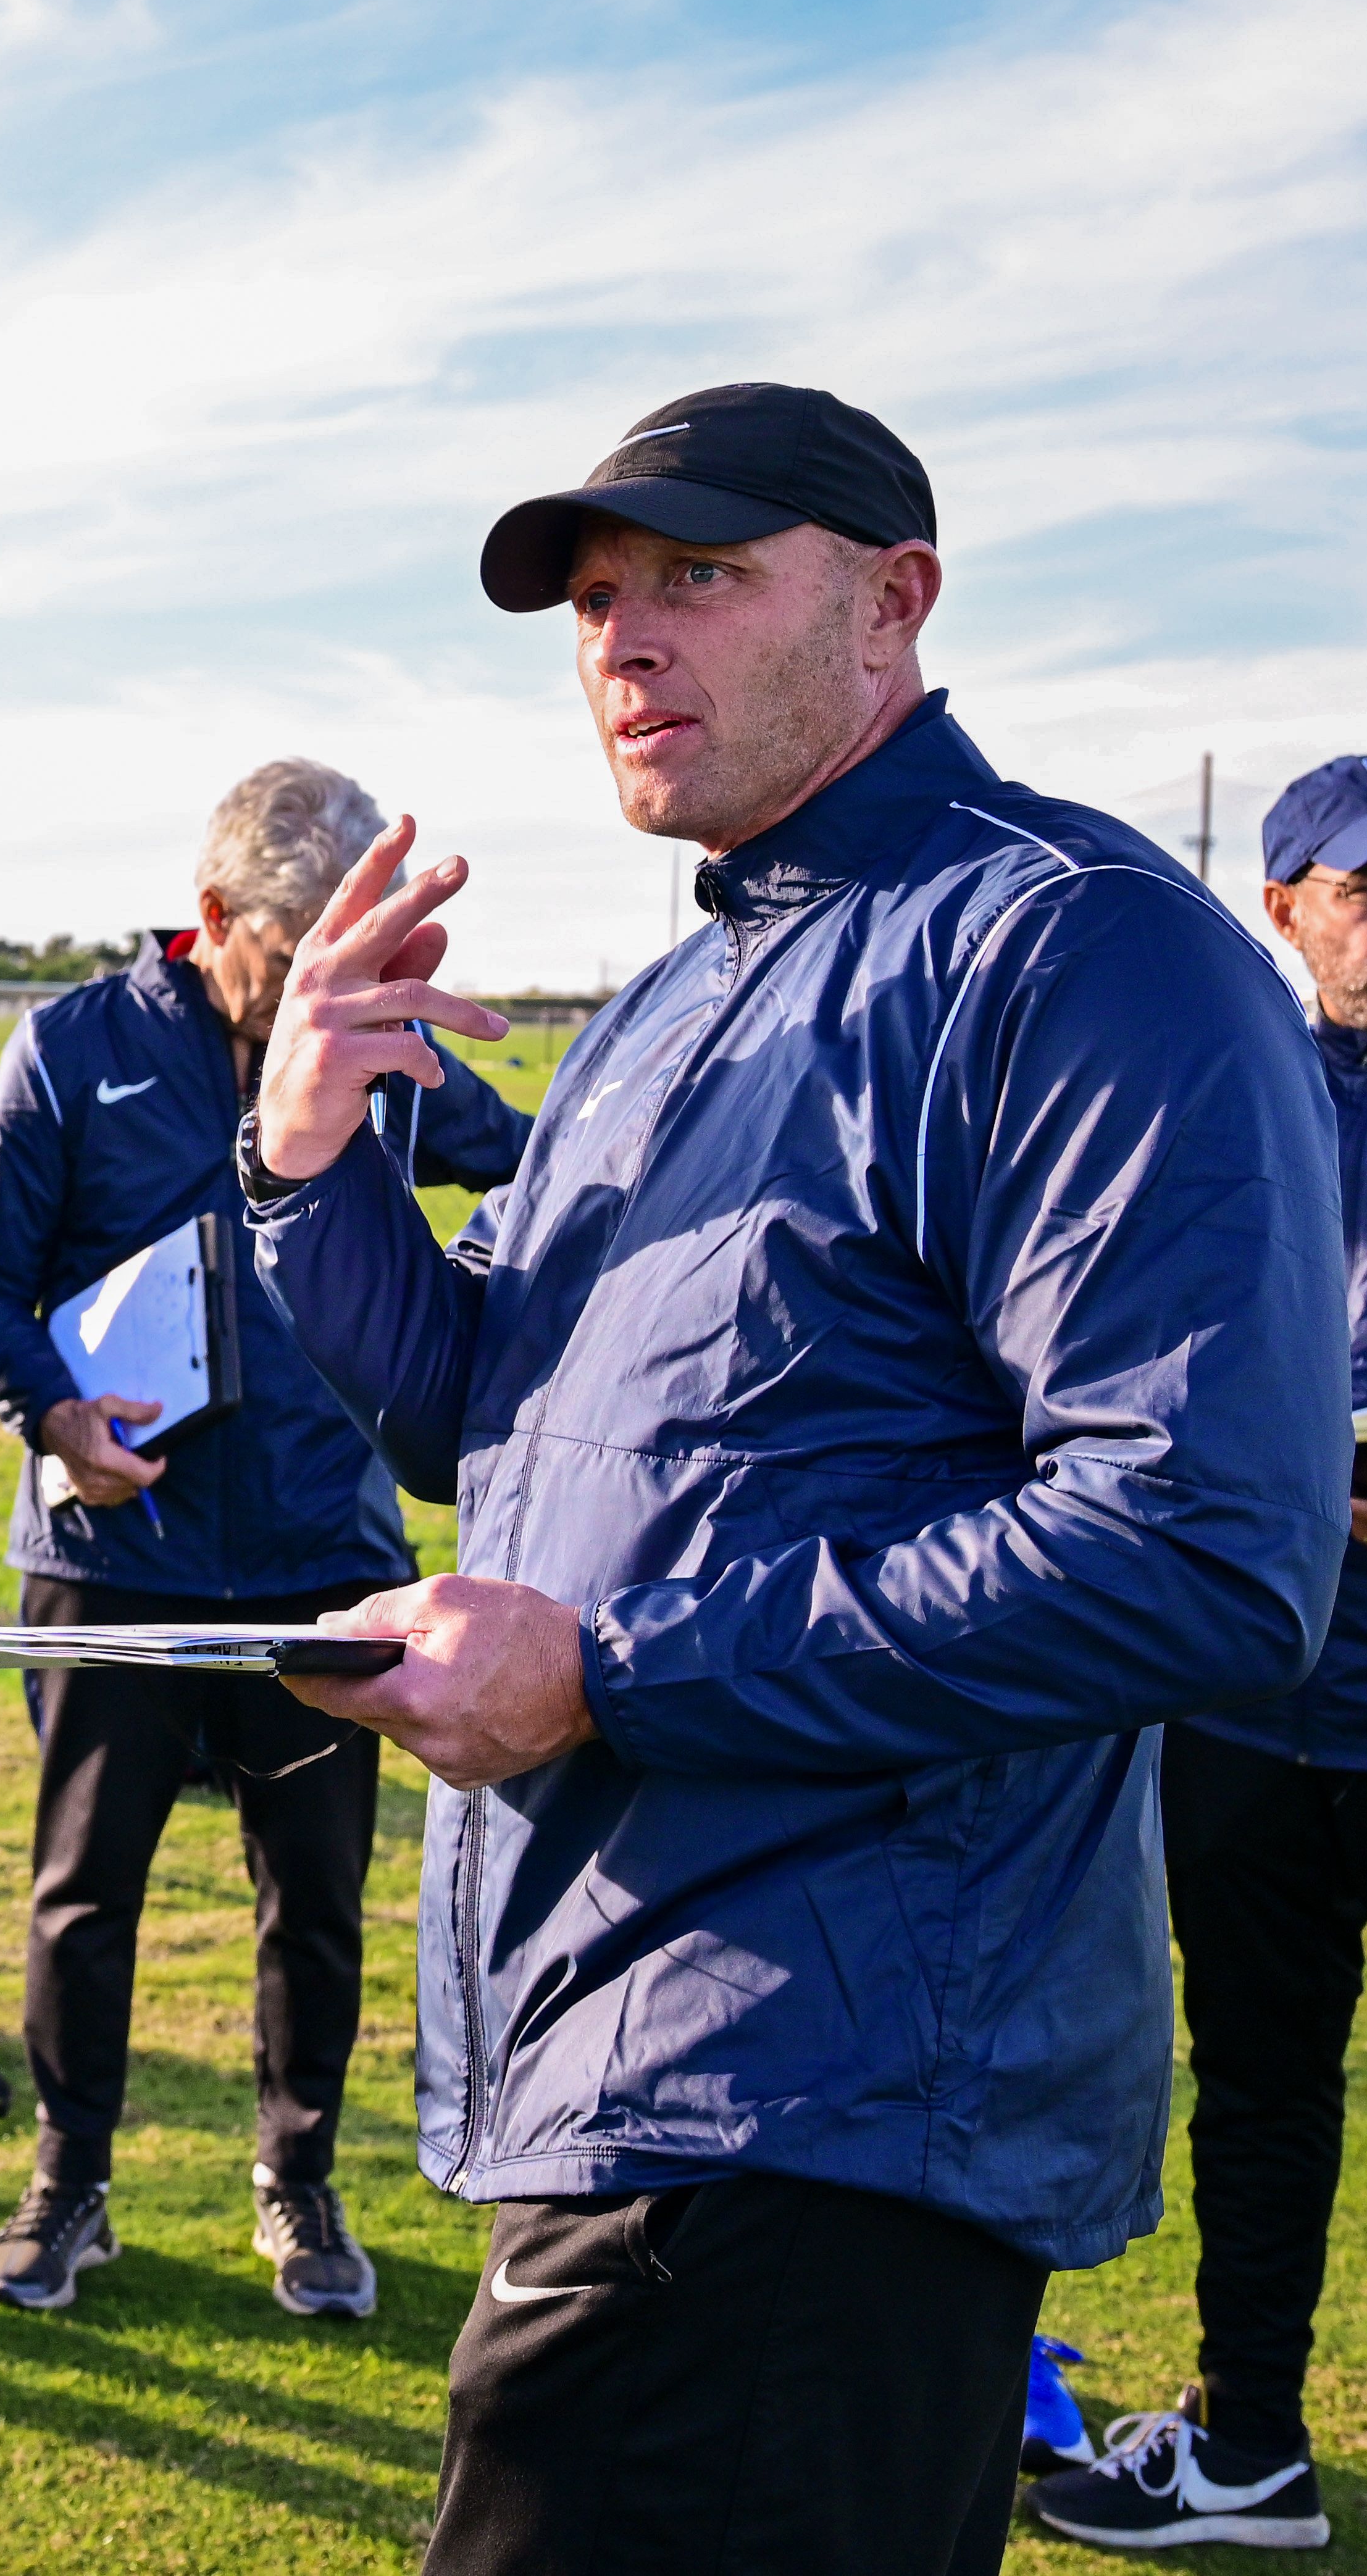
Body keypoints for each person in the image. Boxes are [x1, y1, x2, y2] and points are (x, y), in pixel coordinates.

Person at [246, 383, 1350, 2575]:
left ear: (891, 600)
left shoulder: (1075, 947)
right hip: (621, 2064)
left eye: (693, 576)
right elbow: (483, 1414)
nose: (619, 641)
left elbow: (1201, 1548)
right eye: (587, 600)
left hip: (818, 2106)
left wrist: (605, 1672)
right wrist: (305, 1163)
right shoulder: (673, 1001)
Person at [0, 759, 530, 2320]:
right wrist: (61, 1419)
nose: (328, 987)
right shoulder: (73, 1048)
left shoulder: (383, 1051)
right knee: (85, 1890)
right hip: (110, 1570)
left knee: (317, 1897)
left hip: (318, 1566)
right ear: (214, 920)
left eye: (362, 948)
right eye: (299, 949)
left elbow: (543, 1172)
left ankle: (299, 2183)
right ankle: (69, 2185)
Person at [1022, 753, 1367, 2553]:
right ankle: (1250, 2446)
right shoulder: (1233, 1091)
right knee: (1261, 2084)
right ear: (1285, 908)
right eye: (1364, 889)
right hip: (1257, 1707)